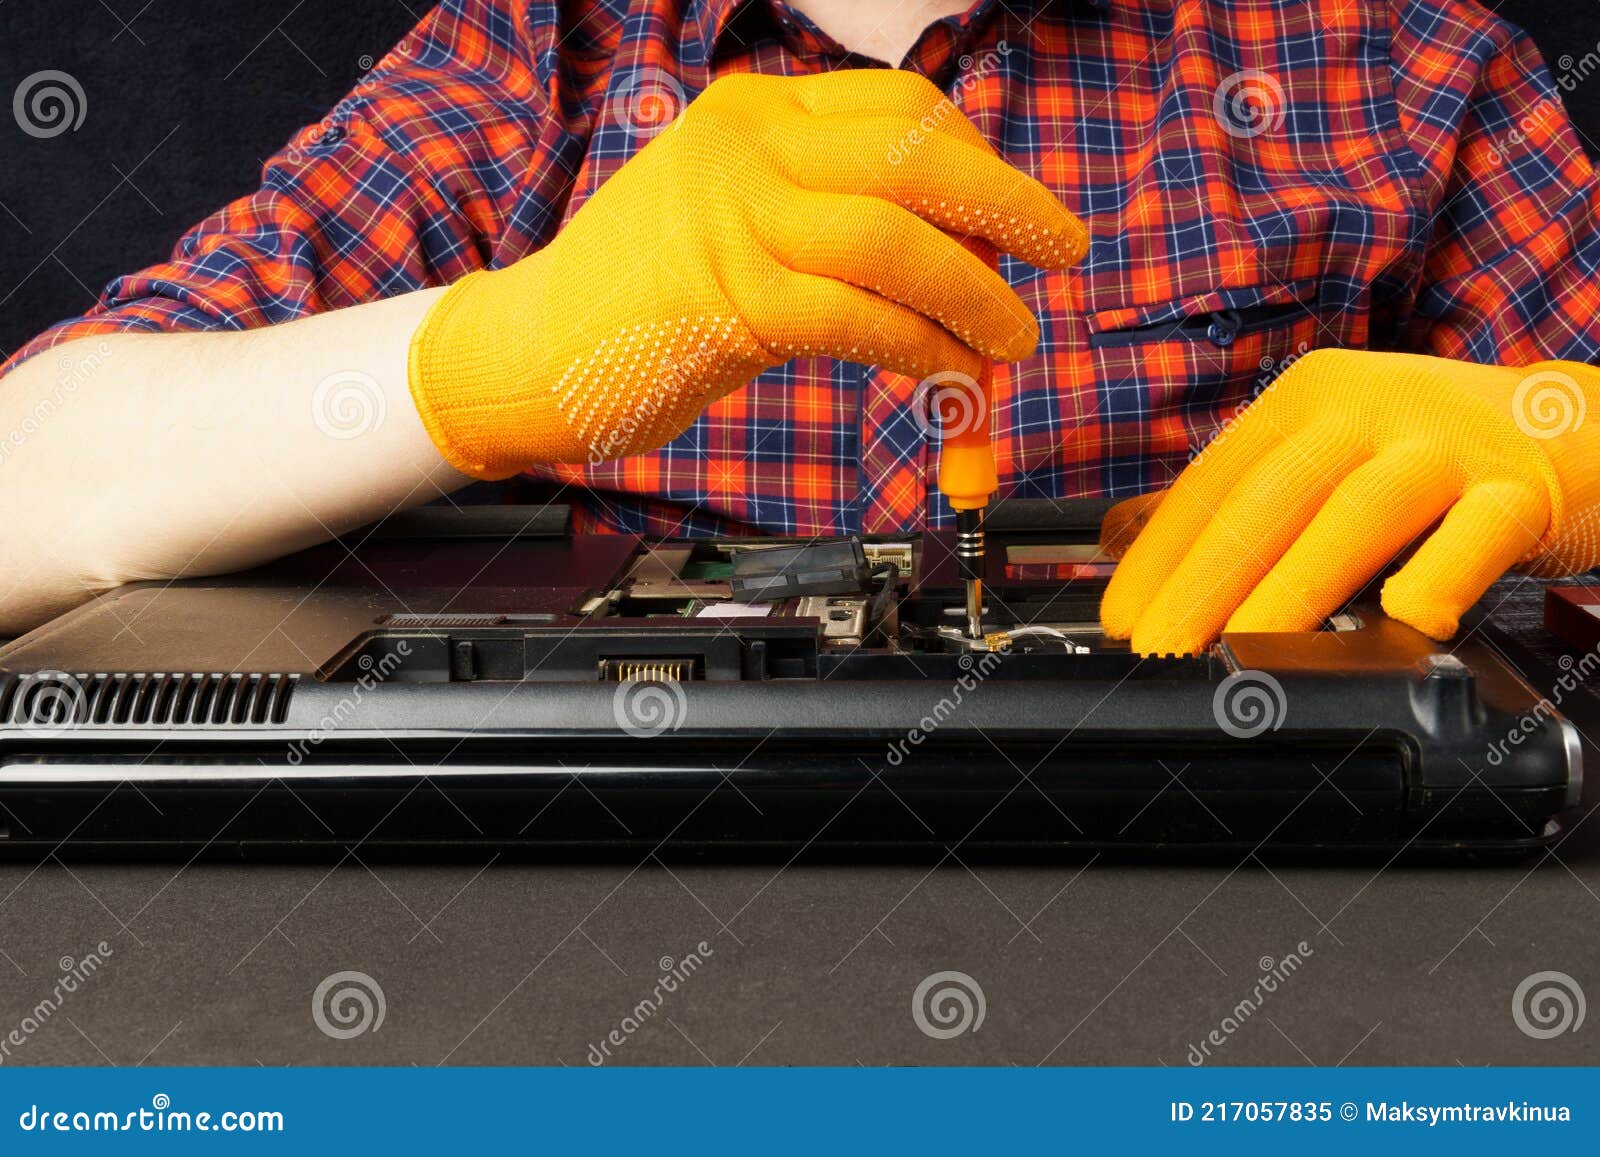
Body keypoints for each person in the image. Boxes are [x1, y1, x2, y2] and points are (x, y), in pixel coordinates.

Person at [2, 0, 1598, 656]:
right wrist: (500, 354)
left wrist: (1568, 450)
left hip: (1275, 904)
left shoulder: (1389, 55)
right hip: (642, 924)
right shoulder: (538, 59)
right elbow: (29, 481)